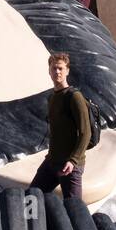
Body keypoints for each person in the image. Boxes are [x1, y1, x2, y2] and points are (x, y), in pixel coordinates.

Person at [29, 52, 90, 200]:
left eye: (61, 68)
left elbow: (85, 132)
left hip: (70, 166)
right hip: (52, 161)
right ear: (49, 71)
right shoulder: (52, 97)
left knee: (74, 210)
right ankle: (30, 223)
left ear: (67, 71)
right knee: (31, 199)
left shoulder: (74, 97)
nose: (57, 71)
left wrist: (73, 161)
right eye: (54, 68)